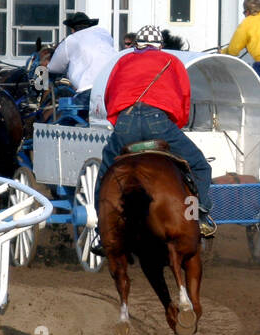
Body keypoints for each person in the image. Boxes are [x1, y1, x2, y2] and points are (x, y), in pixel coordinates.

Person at [88, 25, 215, 255]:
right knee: (199, 166)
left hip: (125, 122)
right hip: (158, 122)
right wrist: (174, 124)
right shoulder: (171, 61)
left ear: (136, 45)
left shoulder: (122, 62)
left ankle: (101, 229)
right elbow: (184, 98)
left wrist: (120, 122)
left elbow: (109, 95)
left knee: (106, 172)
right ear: (160, 46)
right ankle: (199, 216)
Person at [46, 11, 118, 98]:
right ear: (90, 27)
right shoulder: (104, 33)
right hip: (114, 82)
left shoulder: (71, 40)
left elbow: (54, 68)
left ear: (72, 30)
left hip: (89, 88)